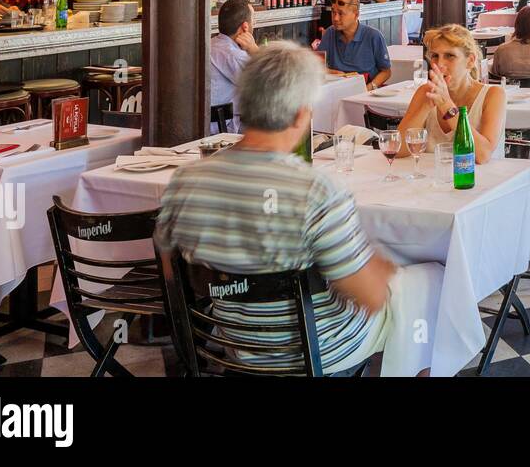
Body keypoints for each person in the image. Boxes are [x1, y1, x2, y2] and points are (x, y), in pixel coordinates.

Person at [156, 43, 442, 376]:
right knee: (420, 291)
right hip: (319, 352)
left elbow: (169, 268)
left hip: (236, 347)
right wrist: (379, 267)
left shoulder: (185, 180)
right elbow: (370, 296)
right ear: (299, 114)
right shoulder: (316, 192)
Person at [399, 24, 507, 163]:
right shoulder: (426, 92)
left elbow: (482, 155)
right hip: (434, 180)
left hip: (483, 181)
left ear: (470, 61)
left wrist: (446, 106)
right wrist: (425, 107)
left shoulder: (493, 94)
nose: (440, 63)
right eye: (435, 56)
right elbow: (399, 149)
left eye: (450, 56)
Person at [313, 0, 392, 88]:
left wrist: (370, 87)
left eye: (341, 13)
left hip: (366, 88)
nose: (335, 18)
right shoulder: (330, 32)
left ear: (356, 15)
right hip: (337, 87)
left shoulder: (373, 36)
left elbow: (386, 72)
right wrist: (336, 73)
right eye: (333, 12)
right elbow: (317, 66)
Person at [209, 0, 257, 131]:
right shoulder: (233, 55)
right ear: (245, 27)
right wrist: (254, 50)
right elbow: (271, 82)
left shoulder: (212, 44)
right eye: (254, 19)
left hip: (203, 125)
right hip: (220, 130)